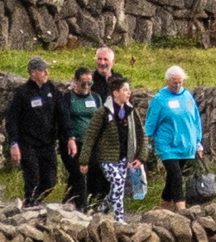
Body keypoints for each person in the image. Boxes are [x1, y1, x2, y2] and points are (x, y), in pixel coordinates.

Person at [5, 57, 68, 206]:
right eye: (42, 70)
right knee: (32, 177)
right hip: (27, 143)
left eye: (46, 69)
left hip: (47, 143)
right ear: (33, 73)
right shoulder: (22, 93)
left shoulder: (52, 89)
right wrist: (14, 144)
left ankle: (31, 202)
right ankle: (30, 207)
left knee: (50, 181)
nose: (46, 72)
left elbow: (63, 114)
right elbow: (12, 119)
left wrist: (68, 136)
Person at [81, 76, 143, 223]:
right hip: (107, 157)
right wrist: (84, 160)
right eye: (125, 90)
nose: (129, 93)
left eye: (129, 90)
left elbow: (142, 136)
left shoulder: (131, 112)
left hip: (125, 157)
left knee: (118, 186)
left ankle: (101, 209)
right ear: (115, 93)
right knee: (116, 182)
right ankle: (119, 219)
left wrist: (141, 157)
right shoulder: (102, 112)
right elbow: (90, 137)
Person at [146, 64, 205, 207]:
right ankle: (182, 210)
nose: (178, 85)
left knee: (172, 178)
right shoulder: (160, 98)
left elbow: (195, 120)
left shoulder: (187, 96)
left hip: (186, 145)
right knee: (177, 177)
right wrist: (146, 140)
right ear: (168, 81)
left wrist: (198, 142)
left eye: (180, 82)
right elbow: (151, 121)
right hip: (167, 144)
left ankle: (162, 208)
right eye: (174, 83)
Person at [58, 66, 101, 209]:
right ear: (75, 82)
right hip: (73, 143)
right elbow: (64, 120)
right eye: (83, 83)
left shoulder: (95, 97)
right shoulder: (67, 98)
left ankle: (68, 203)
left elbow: (100, 119)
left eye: (90, 84)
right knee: (79, 174)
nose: (87, 87)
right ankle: (83, 208)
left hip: (91, 144)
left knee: (94, 172)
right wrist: (70, 138)